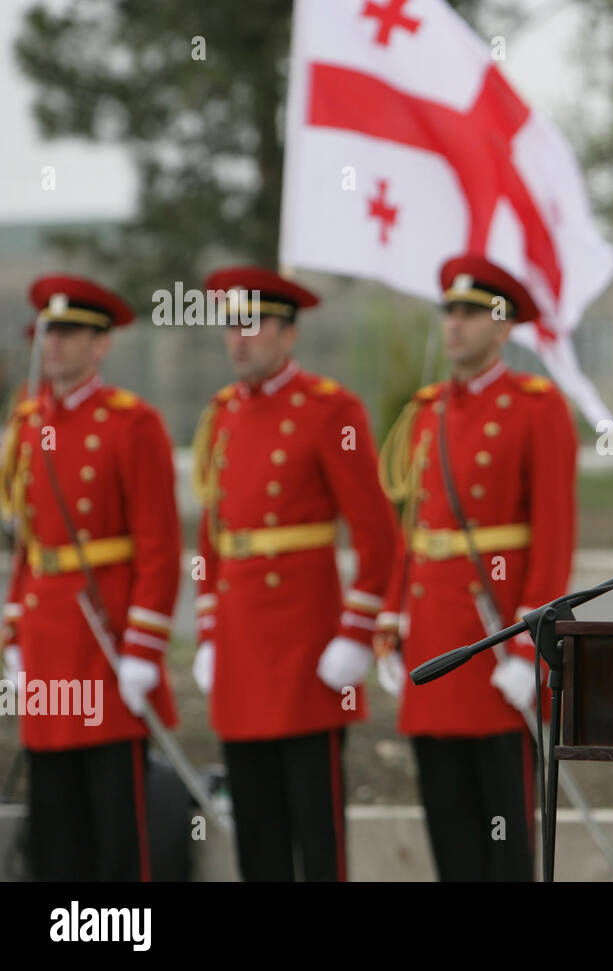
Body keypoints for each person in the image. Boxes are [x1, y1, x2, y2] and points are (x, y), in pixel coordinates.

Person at [190, 266, 398, 881]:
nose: (239, 339)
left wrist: (356, 634)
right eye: (231, 325)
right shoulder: (222, 415)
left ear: (288, 333)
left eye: (253, 325)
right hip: (241, 647)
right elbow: (212, 537)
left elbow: (378, 536)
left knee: (316, 830)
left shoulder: (330, 409)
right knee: (256, 831)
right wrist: (206, 629)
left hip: (309, 651)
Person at [375, 254, 577, 881]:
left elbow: (554, 539)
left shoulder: (536, 407)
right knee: (449, 825)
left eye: (470, 313)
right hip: (435, 641)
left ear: (502, 327)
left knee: (507, 833)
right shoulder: (427, 411)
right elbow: (412, 529)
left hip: (494, 650)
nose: (454, 325)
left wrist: (527, 653)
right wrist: (390, 618)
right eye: (449, 312)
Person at [0, 274, 181, 880]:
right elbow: (28, 546)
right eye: (48, 332)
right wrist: (15, 634)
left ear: (99, 345)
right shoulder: (26, 428)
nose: (53, 344)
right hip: (50, 644)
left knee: (115, 826)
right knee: (54, 823)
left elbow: (159, 544)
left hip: (105, 644)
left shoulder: (132, 424)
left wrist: (145, 647)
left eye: (70, 332)